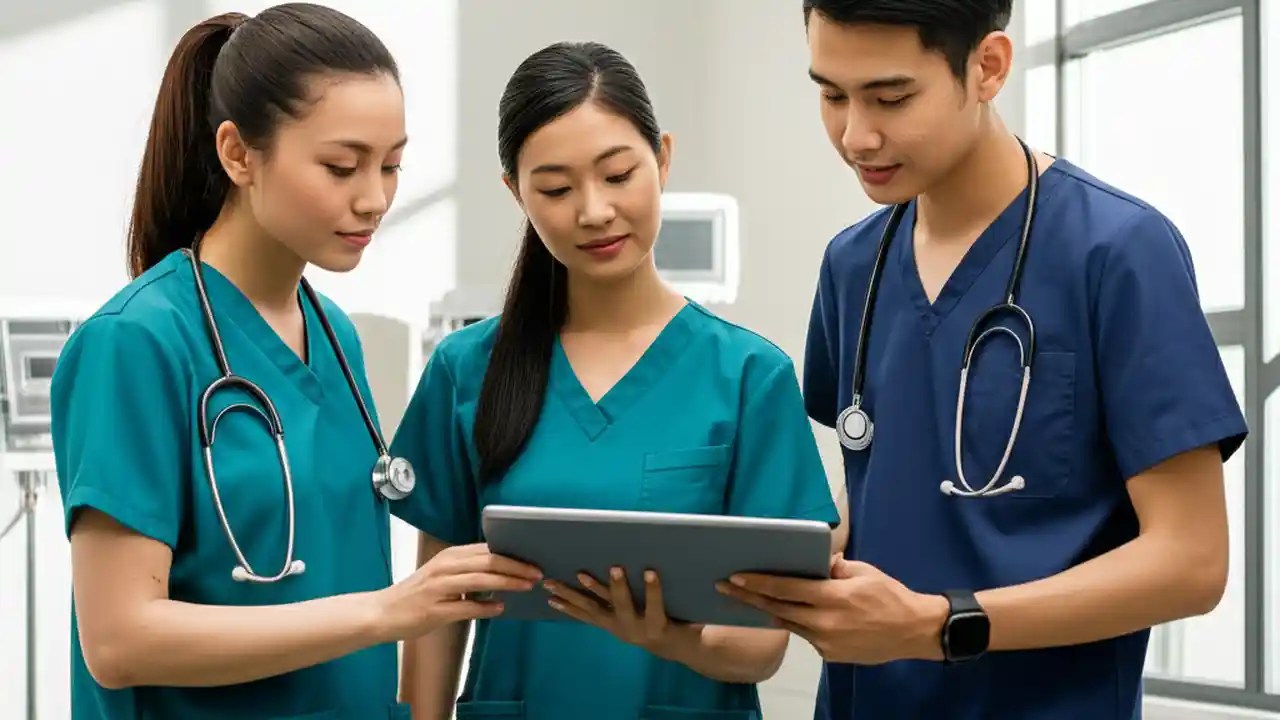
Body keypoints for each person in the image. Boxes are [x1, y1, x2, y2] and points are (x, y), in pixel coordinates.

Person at [716, 2, 1248, 719]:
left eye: (891, 96)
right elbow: (886, 483)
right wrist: (766, 564)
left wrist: (937, 624)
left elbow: (1191, 563)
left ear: (988, 66)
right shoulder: (852, 266)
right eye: (831, 94)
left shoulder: (1118, 253)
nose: (855, 134)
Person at [49, 5, 540, 719]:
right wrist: (387, 612)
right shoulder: (136, 343)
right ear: (239, 154)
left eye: (393, 165)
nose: (374, 199)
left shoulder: (333, 335)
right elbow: (120, 639)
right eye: (341, 166)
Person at [391, 40, 841, 720]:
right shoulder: (465, 370)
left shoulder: (749, 377)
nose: (594, 210)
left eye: (618, 175)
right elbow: (437, 605)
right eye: (556, 188)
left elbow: (762, 646)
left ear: (661, 158)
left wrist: (673, 637)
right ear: (516, 191)